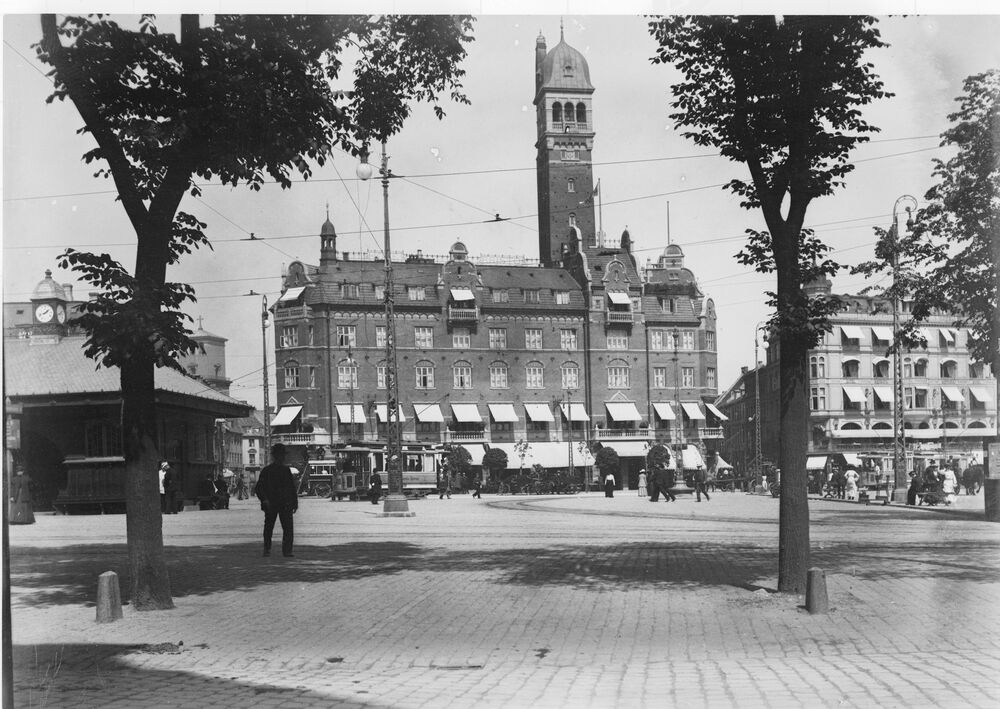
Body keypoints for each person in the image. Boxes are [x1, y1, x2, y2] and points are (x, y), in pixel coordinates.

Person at [256, 443, 298, 557]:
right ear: (276, 456)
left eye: (283, 455)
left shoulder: (281, 470)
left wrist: (294, 502)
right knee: (272, 528)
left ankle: (284, 550)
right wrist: (264, 500)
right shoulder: (269, 471)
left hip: (281, 503)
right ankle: (271, 549)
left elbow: (291, 488)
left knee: (282, 528)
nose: (283, 457)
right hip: (274, 503)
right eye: (281, 455)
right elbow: (259, 488)